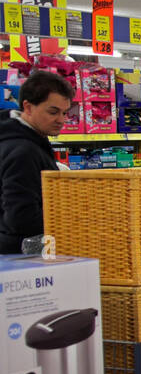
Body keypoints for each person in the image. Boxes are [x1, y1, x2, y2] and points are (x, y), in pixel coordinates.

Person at [0, 70, 72, 254]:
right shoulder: (23, 151)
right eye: (53, 112)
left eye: (65, 113)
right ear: (28, 107)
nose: (61, 120)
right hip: (21, 257)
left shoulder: (28, 140)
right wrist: (72, 218)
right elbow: (21, 219)